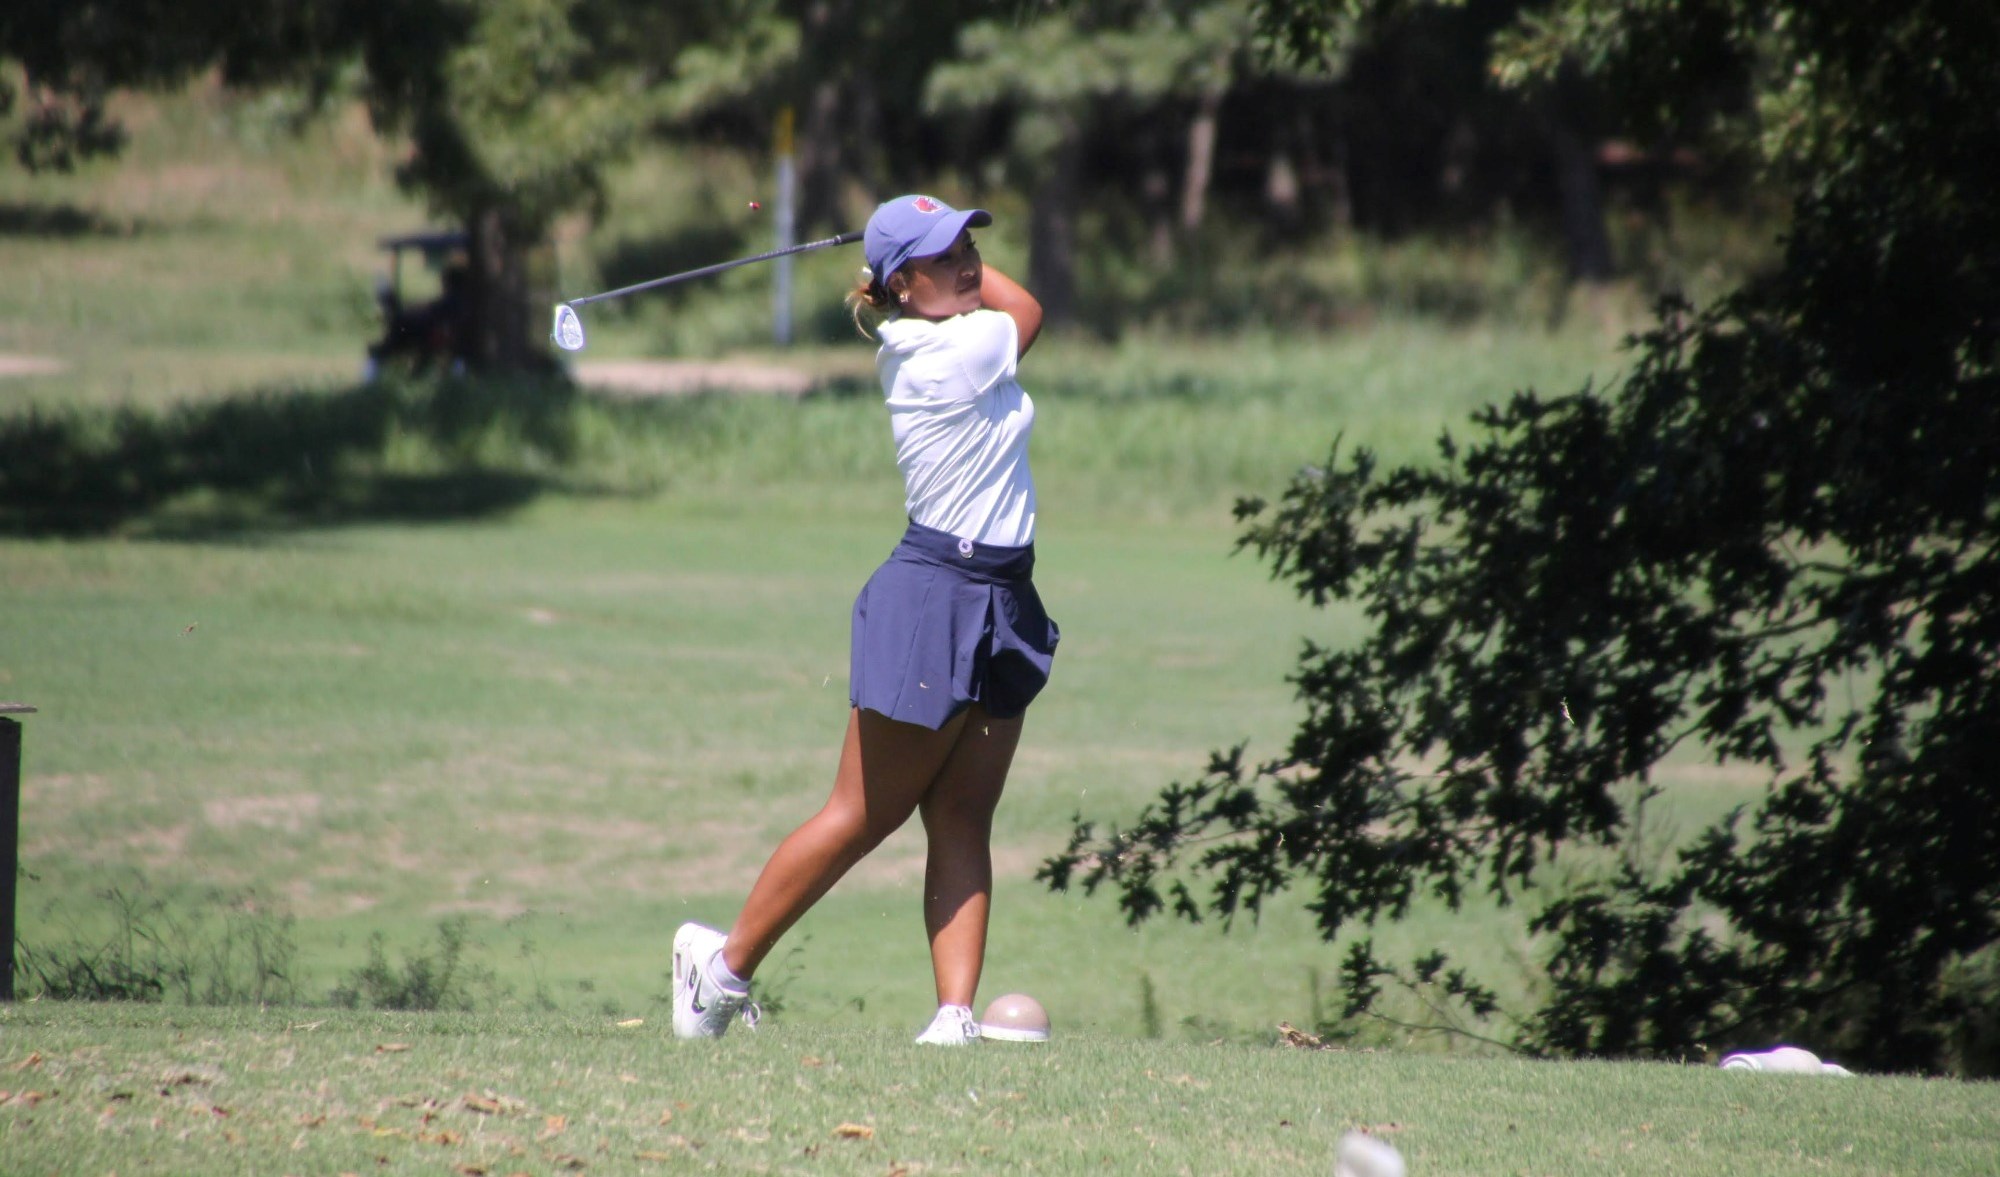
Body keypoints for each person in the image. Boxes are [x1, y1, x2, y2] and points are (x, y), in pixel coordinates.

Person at [671, 194, 1057, 1046]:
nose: (965, 261)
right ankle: (720, 971)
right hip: (934, 596)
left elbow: (996, 304)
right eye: (943, 254)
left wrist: (914, 263)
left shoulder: (943, 327)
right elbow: (1025, 307)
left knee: (962, 815)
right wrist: (929, 275)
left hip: (998, 594)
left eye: (968, 243)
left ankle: (955, 1017)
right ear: (901, 285)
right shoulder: (948, 349)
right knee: (861, 814)